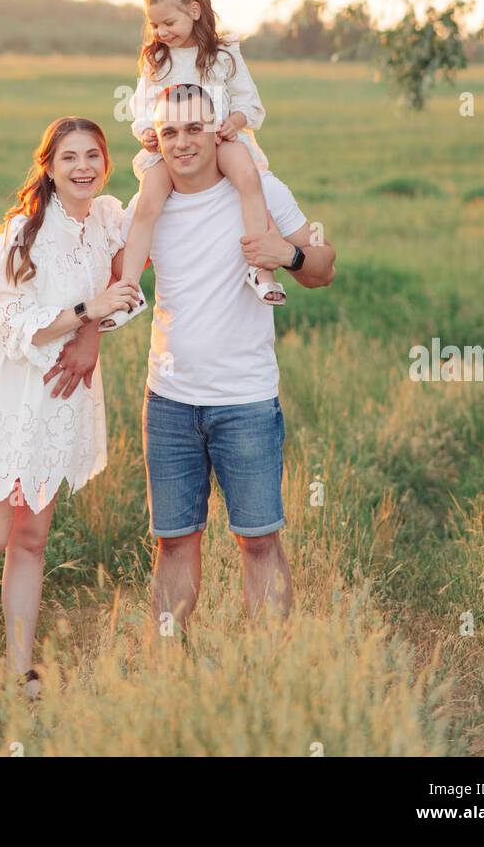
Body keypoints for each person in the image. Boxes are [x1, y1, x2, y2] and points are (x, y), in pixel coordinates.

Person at [0, 116, 138, 695]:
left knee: (31, 539)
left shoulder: (109, 219)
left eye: (93, 155)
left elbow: (149, 228)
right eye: (70, 157)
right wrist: (87, 314)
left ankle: (18, 669)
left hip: (57, 397)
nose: (83, 167)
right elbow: (9, 319)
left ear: (105, 163)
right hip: (2, 389)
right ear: (50, 166)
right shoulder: (26, 231)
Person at [122, 82, 334, 630]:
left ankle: (269, 674)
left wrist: (287, 254)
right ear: (156, 138)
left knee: (259, 540)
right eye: (170, 132)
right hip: (168, 402)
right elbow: (107, 271)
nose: (183, 143)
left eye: (194, 129)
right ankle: (168, 667)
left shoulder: (260, 189)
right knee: (173, 543)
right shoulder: (150, 202)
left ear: (217, 129)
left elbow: (323, 266)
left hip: (245, 401)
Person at [98, 0, 286, 332]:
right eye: (155, 25)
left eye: (169, 22)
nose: (161, 32)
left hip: (219, 138)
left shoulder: (224, 55)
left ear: (194, 11)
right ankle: (129, 290)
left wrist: (234, 122)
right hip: (172, 146)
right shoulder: (157, 61)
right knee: (148, 200)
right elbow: (142, 108)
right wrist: (146, 132)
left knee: (248, 177)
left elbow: (249, 103)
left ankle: (260, 269)